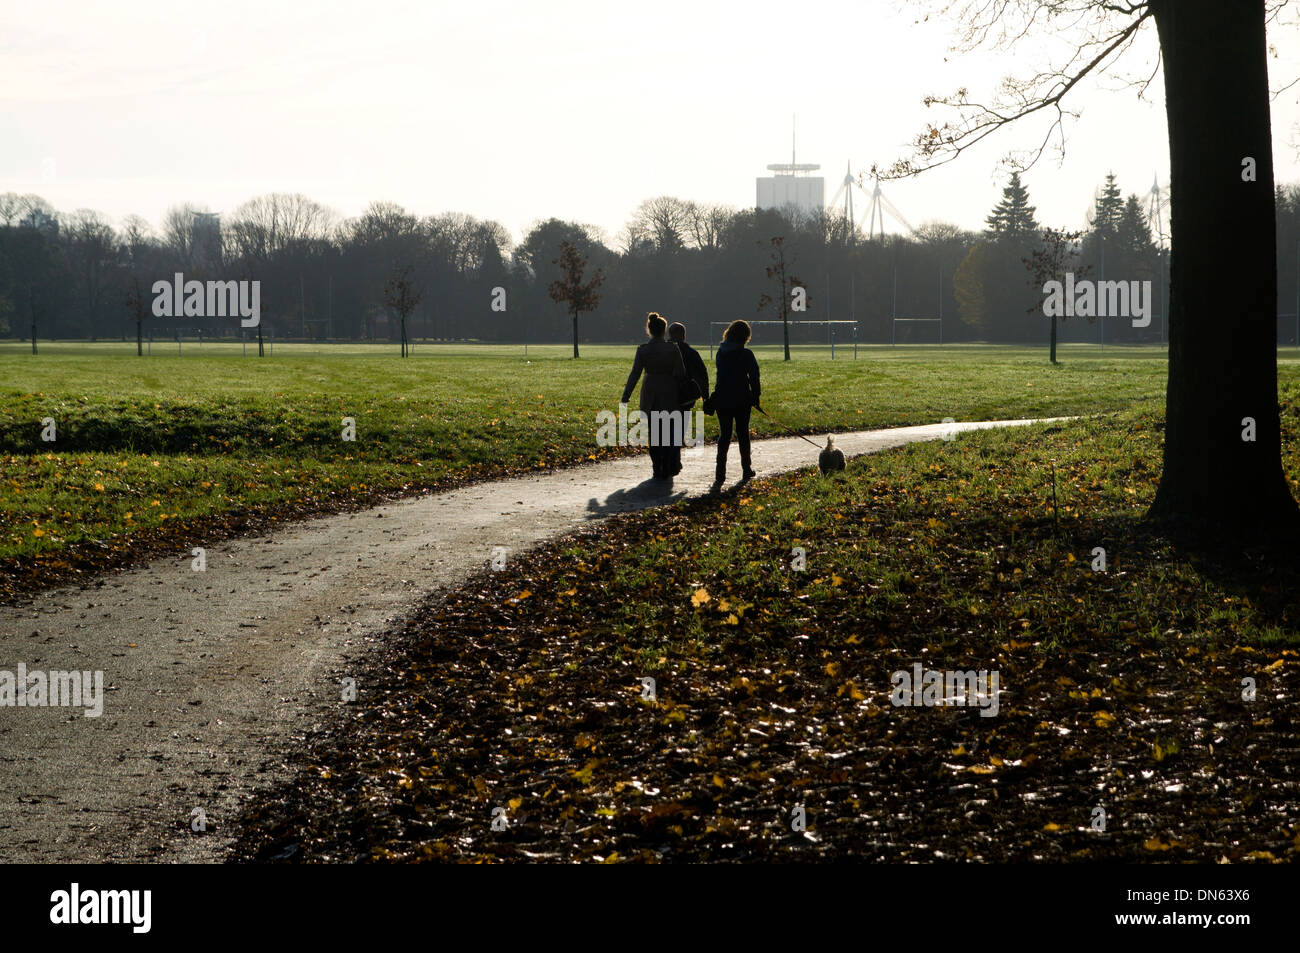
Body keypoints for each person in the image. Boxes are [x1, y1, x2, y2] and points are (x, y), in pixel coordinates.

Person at [621, 311, 687, 479]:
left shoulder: (643, 350)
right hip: (669, 392)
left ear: (649, 329)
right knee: (670, 431)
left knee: (655, 433)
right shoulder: (672, 349)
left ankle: (657, 465)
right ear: (664, 330)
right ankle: (669, 462)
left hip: (650, 393)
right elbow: (681, 373)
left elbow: (635, 373)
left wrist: (626, 394)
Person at [710, 319, 760, 489]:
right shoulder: (746, 355)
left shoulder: (720, 352)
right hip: (741, 397)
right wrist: (756, 396)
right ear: (745, 336)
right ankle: (746, 468)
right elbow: (754, 377)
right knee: (743, 434)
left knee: (724, 434)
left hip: (722, 397)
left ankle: (720, 472)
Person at [667, 321, 708, 477]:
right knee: (677, 432)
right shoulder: (691, 352)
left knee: (662, 432)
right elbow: (702, 375)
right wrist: (705, 396)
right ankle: (674, 462)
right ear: (683, 335)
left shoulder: (664, 350)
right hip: (685, 397)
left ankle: (663, 464)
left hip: (665, 396)